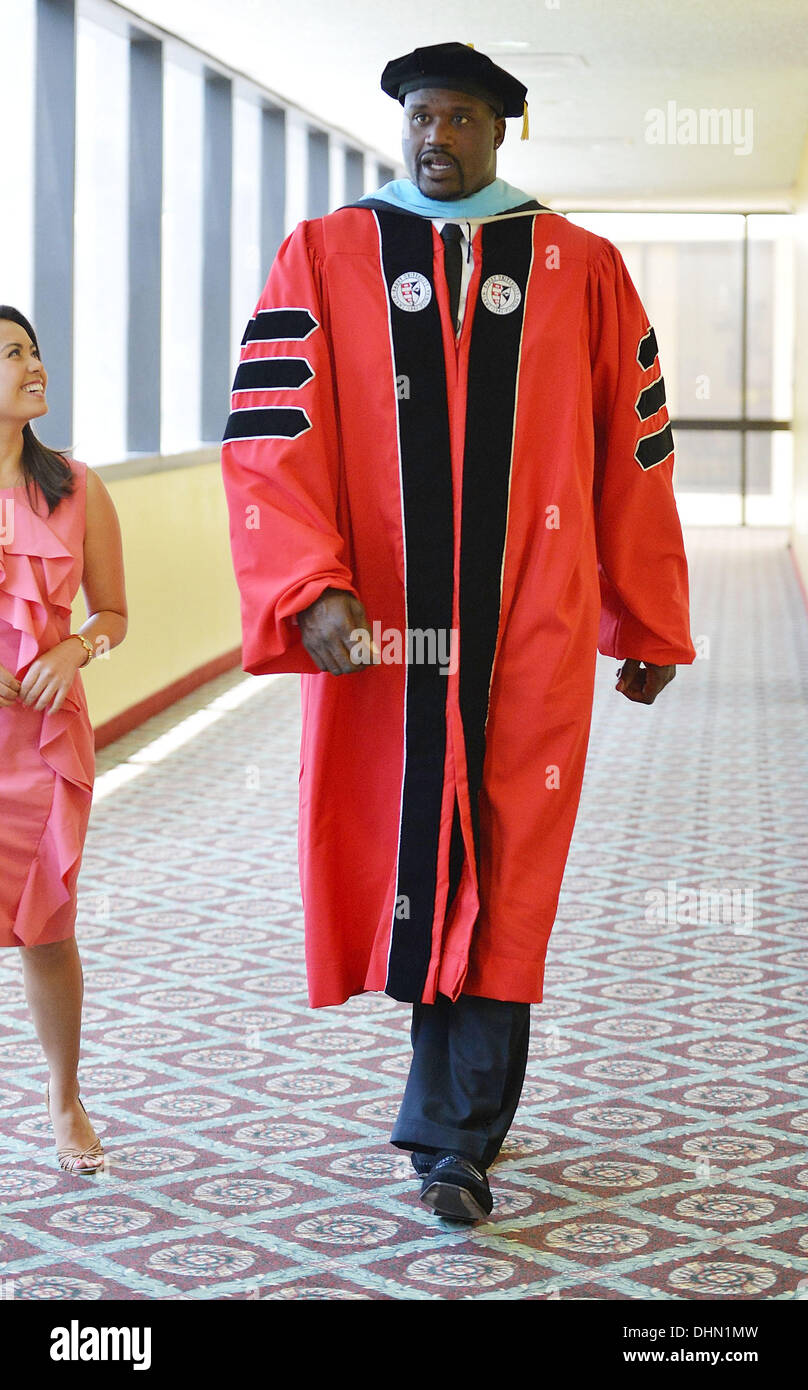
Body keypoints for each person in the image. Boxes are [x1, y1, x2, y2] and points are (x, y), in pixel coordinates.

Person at [221, 42, 695, 1222]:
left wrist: (647, 616)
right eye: (420, 117)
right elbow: (271, 431)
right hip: (383, 633)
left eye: (461, 118)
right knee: (407, 845)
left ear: (501, 131)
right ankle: (449, 1119)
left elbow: (632, 447)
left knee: (506, 850)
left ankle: (456, 1137)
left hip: (530, 621)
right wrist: (308, 585)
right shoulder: (325, 254)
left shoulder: (580, 267)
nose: (435, 137)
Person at [0, 306, 127, 1174]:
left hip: (43, 745)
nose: (33, 365)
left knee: (48, 924)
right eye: (12, 355)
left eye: (34, 350)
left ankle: (63, 1096)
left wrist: (79, 647)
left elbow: (115, 616)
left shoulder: (79, 487)